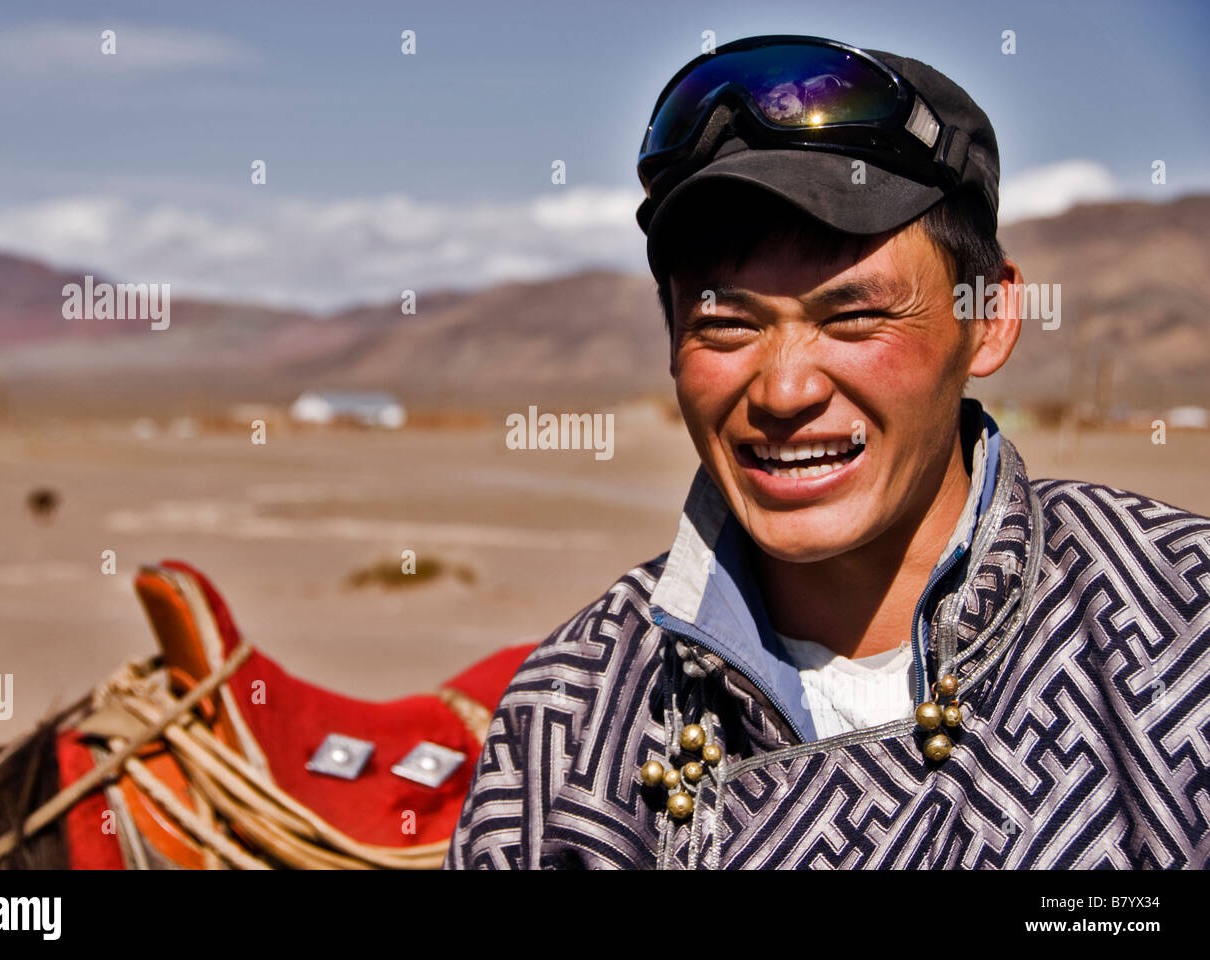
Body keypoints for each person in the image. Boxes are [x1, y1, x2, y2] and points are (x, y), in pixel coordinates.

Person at [444, 35, 1210, 869]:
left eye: (852, 318)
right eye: (727, 325)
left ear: (988, 317)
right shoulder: (572, 711)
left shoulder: (1180, 632)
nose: (782, 392)